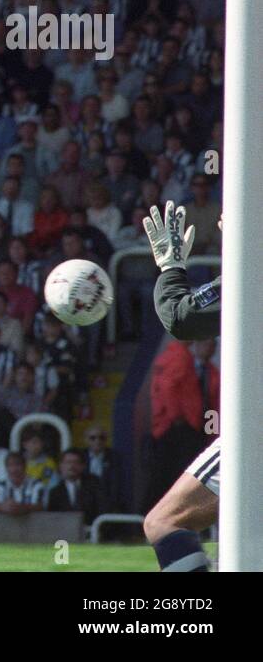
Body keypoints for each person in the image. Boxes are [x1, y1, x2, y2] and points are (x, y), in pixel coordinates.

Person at [142, 202, 221, 572]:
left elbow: (180, 318)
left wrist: (171, 268)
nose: (221, 219)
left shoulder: (253, 272)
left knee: (164, 522)